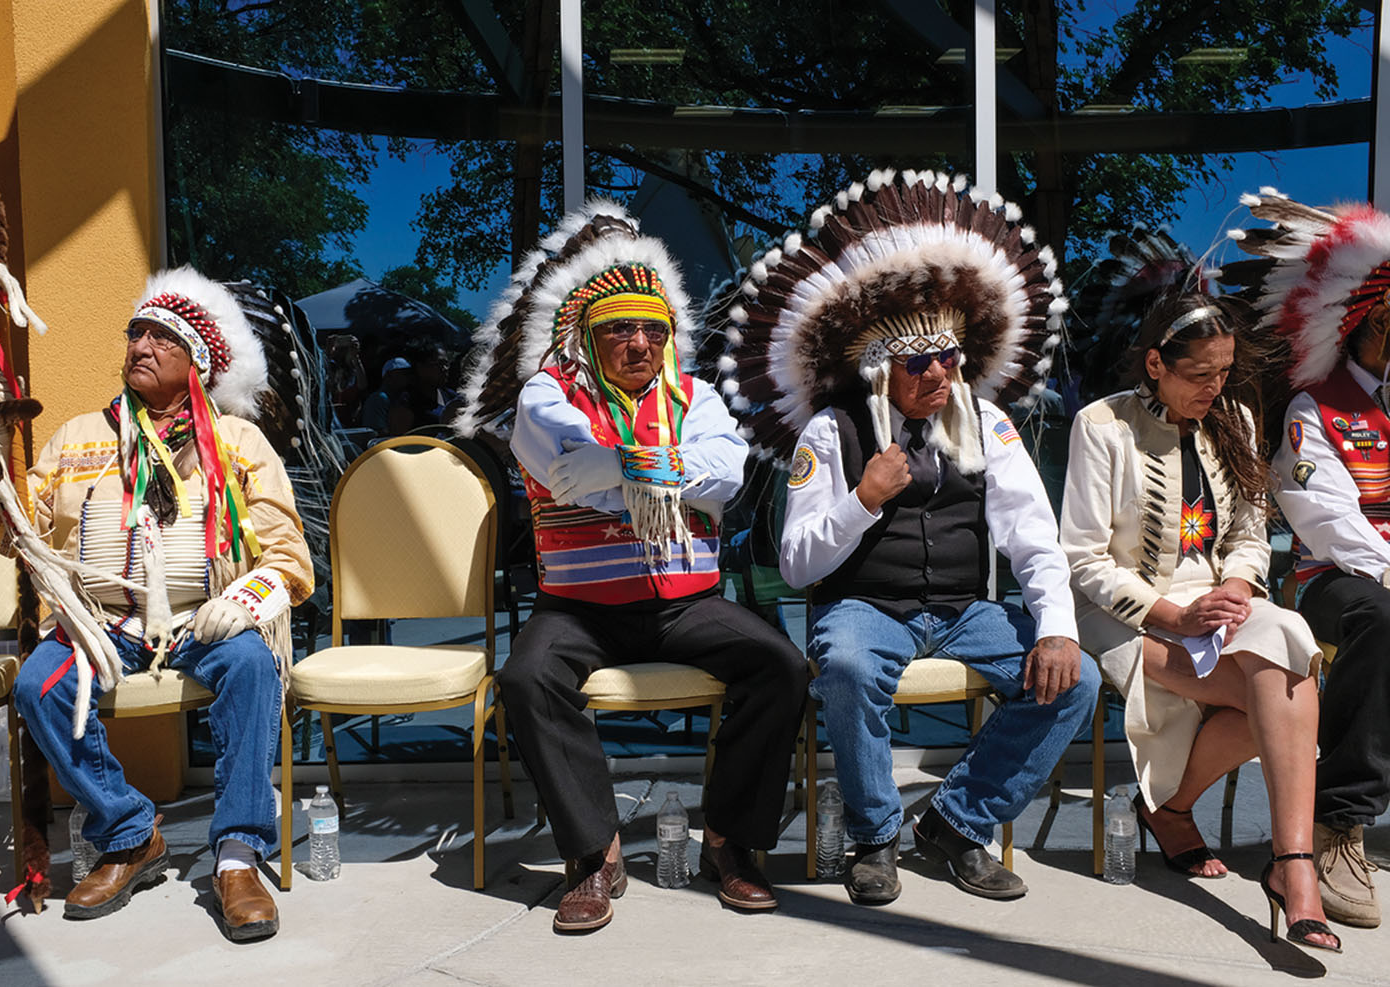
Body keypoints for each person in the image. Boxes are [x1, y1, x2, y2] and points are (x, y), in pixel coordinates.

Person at [724, 168, 1099, 904]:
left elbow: (1033, 537)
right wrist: (863, 499)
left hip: (966, 610)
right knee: (852, 669)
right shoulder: (832, 430)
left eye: (950, 357)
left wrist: (1056, 628)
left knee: (1076, 679)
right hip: (866, 605)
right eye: (919, 361)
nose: (939, 372)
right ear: (879, 368)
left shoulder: (986, 423)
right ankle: (874, 837)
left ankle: (956, 823)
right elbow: (799, 563)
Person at [454, 203, 807, 934]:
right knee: (526, 677)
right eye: (620, 327)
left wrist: (627, 465)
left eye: (652, 328)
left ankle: (728, 839)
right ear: (588, 336)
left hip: (686, 600)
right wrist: (665, 470)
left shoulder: (696, 396)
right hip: (579, 609)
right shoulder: (547, 395)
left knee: (781, 666)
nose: (640, 342)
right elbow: (568, 462)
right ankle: (594, 852)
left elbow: (728, 474)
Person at [0, 266, 313, 941]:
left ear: (195, 363)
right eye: (136, 332)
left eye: (161, 337)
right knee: (38, 684)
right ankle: (132, 834)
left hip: (204, 619)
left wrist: (248, 598)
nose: (139, 344)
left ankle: (237, 854)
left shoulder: (238, 442)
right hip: (102, 623)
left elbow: (289, 556)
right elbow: (11, 533)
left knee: (252, 665)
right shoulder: (78, 436)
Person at [1061, 291, 1336, 951]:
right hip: (1123, 612)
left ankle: (1281, 854)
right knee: (1282, 700)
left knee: (1291, 644)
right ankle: (1269, 856)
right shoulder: (1101, 425)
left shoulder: (1234, 417)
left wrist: (1238, 590)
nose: (1215, 387)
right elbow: (1084, 559)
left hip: (1218, 604)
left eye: (1224, 371)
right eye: (1199, 374)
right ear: (1155, 362)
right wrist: (1176, 615)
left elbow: (1249, 534)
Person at [1225, 188, 1390, 930]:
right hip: (1339, 581)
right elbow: (1325, 521)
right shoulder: (1311, 408)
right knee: (1385, 620)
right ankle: (1338, 821)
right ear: (1376, 322)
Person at [359, 355, 413, 437]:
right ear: (388, 375)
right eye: (402, 373)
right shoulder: (378, 399)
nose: (406, 377)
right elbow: (376, 432)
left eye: (407, 373)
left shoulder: (402, 398)